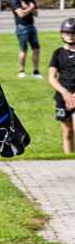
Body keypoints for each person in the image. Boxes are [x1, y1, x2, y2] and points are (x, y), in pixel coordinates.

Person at [48, 17, 75, 153]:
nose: (70, 36)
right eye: (67, 33)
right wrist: (65, 94)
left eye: (73, 33)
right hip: (62, 98)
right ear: (62, 34)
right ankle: (69, 159)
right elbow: (52, 78)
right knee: (67, 132)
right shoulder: (58, 53)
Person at [10, 0, 40, 78]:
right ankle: (21, 71)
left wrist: (30, 8)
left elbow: (36, 14)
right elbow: (21, 14)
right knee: (24, 50)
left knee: (36, 49)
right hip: (22, 27)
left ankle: (36, 72)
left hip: (31, 26)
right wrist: (30, 8)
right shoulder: (15, 1)